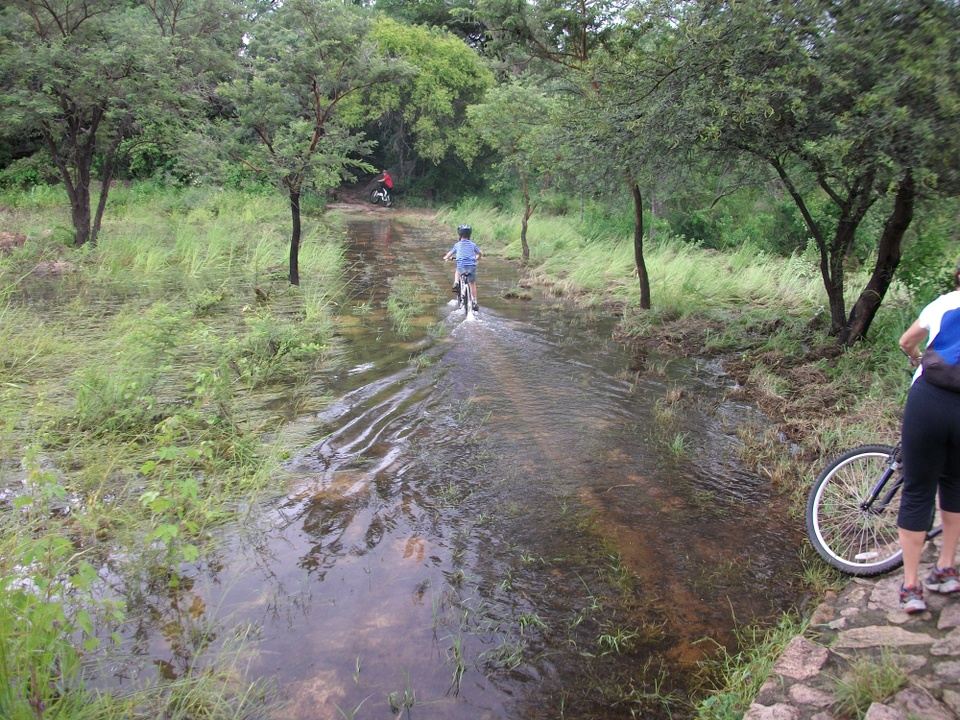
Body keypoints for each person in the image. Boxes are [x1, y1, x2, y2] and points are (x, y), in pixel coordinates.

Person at [895, 260, 960, 613]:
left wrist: (917, 357)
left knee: (918, 489)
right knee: (955, 485)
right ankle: (946, 568)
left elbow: (907, 341)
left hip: (929, 400)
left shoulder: (943, 304)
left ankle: (910, 588)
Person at [443, 224, 482, 312]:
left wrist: (446, 258)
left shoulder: (457, 245)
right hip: (471, 266)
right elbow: (480, 253)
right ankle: (475, 302)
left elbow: (450, 253)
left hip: (461, 265)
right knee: (472, 283)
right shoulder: (473, 244)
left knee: (457, 270)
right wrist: (478, 257)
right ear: (469, 234)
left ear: (459, 234)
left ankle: (456, 283)